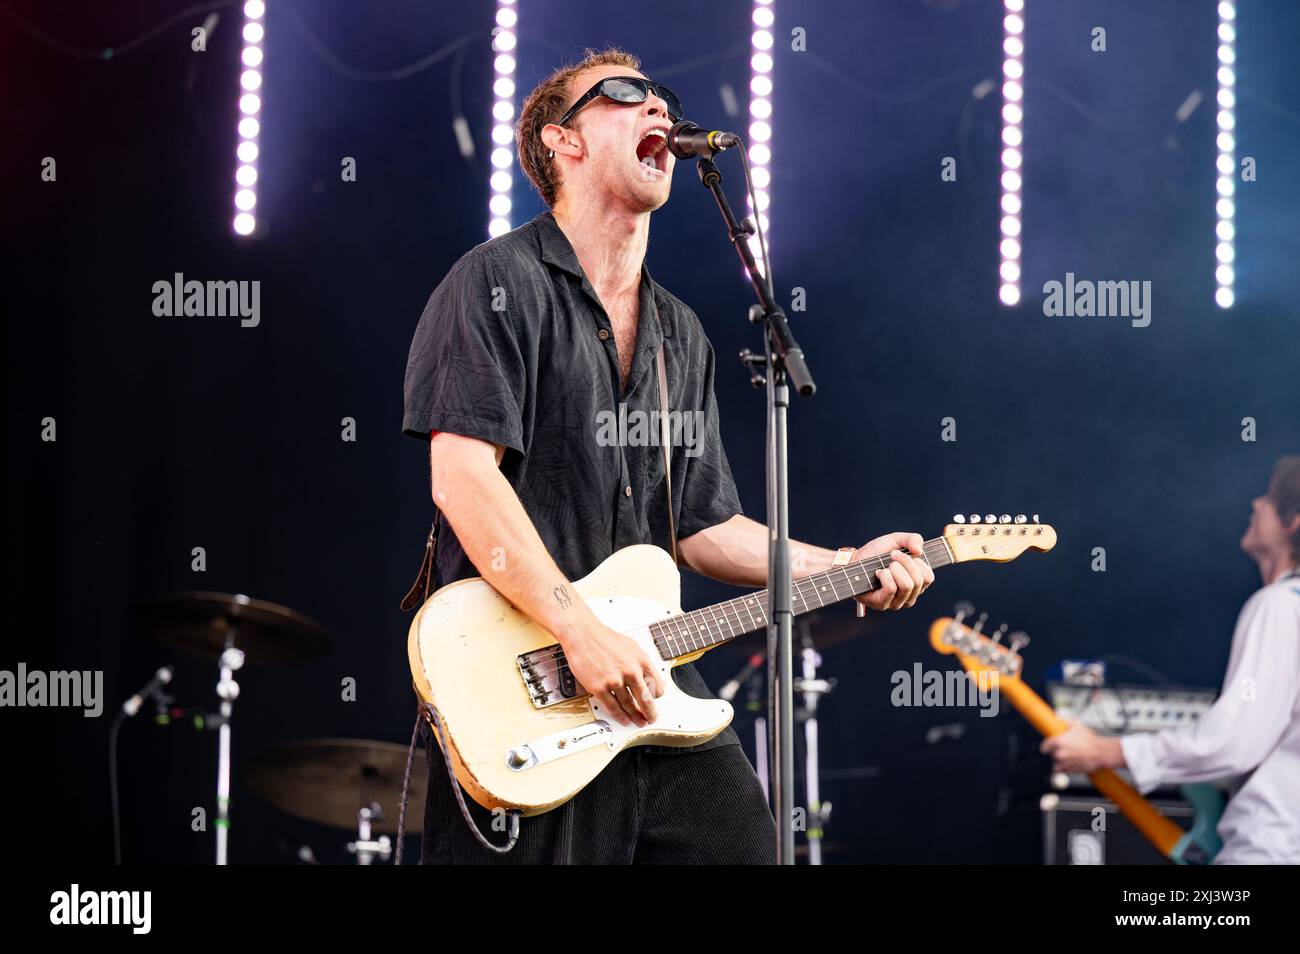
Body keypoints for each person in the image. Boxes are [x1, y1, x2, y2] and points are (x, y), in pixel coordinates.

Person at [402, 48, 934, 864]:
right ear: (562, 143)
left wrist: (847, 562)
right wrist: (576, 629)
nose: (659, 110)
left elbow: (702, 526)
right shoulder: (495, 282)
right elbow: (462, 476)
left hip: (651, 692)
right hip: (532, 688)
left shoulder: (678, 334)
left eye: (665, 99)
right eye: (625, 96)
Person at [1043, 455, 1300, 863]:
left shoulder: (1282, 605)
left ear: (1294, 522)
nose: (1255, 503)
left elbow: (1233, 742)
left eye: (1269, 497)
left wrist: (1105, 752)